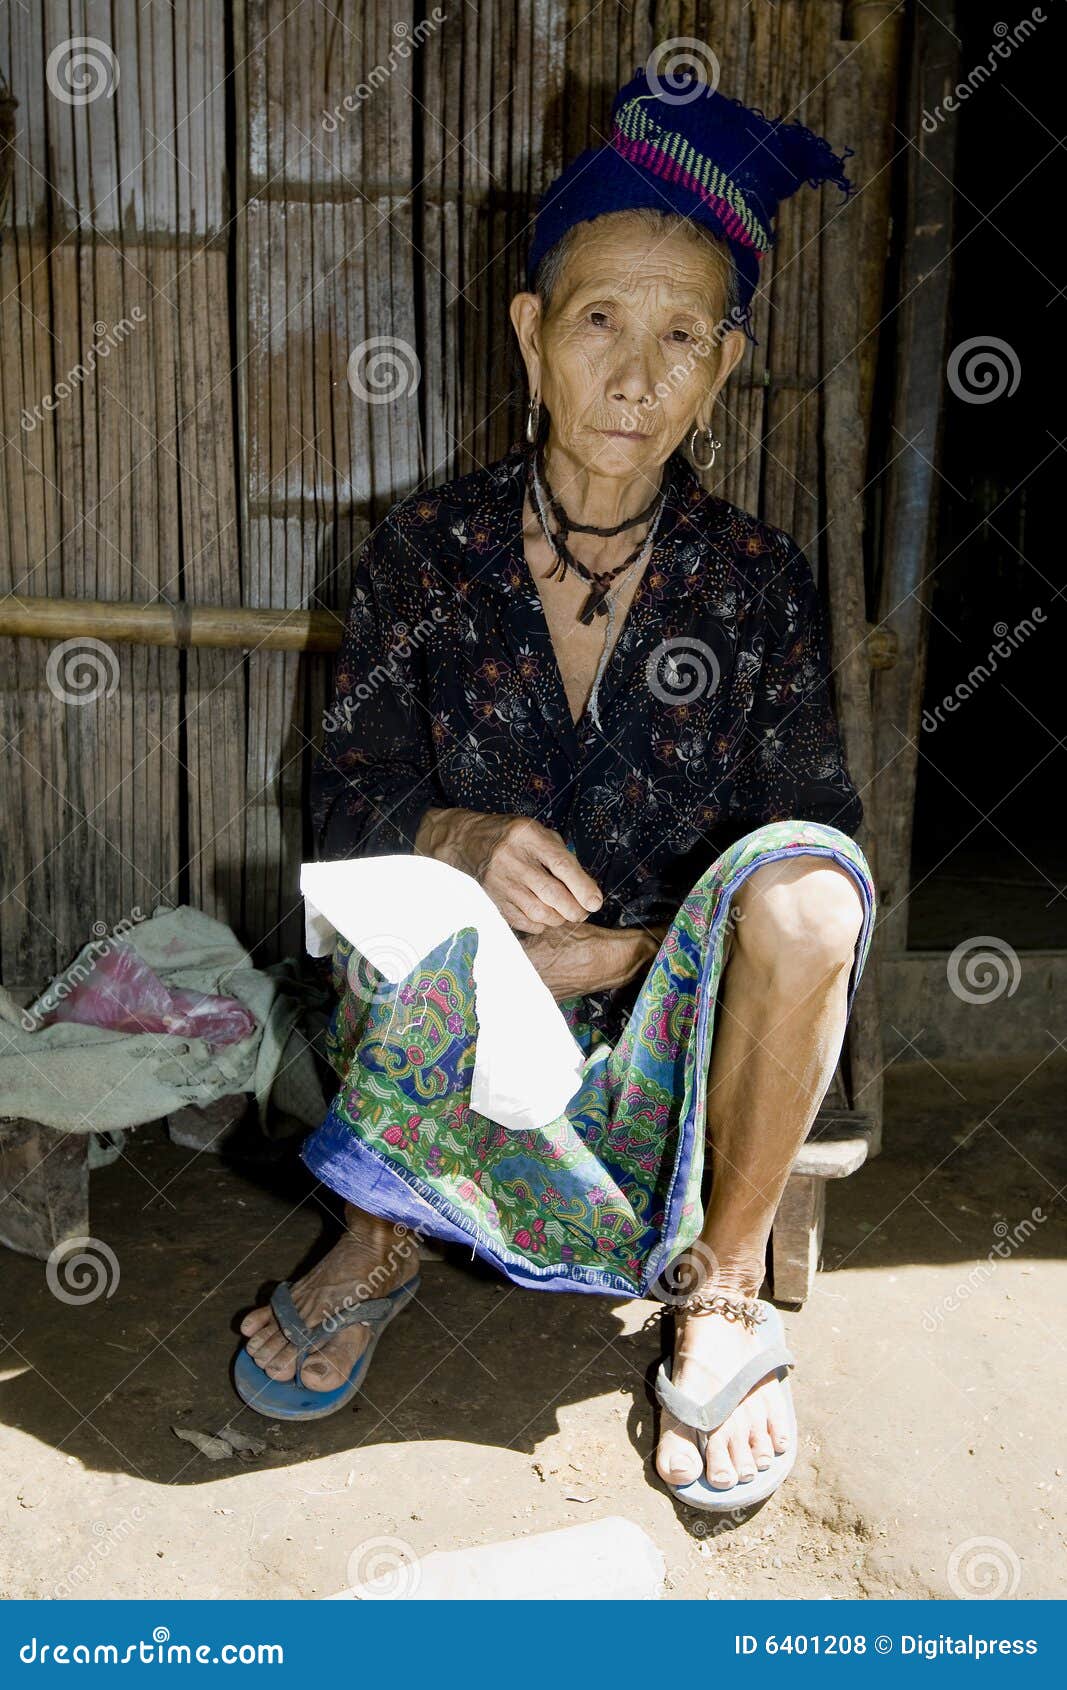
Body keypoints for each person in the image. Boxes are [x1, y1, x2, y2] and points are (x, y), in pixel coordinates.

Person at [234, 66, 875, 1512]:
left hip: (671, 1051)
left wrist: (636, 950)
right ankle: (385, 1236)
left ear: (721, 369)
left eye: (681, 338)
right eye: (599, 322)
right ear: (530, 339)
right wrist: (454, 838)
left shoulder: (760, 586)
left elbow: (808, 855)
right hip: (456, 1040)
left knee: (814, 900)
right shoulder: (422, 555)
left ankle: (720, 1286)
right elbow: (342, 812)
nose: (636, 378)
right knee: (393, 906)